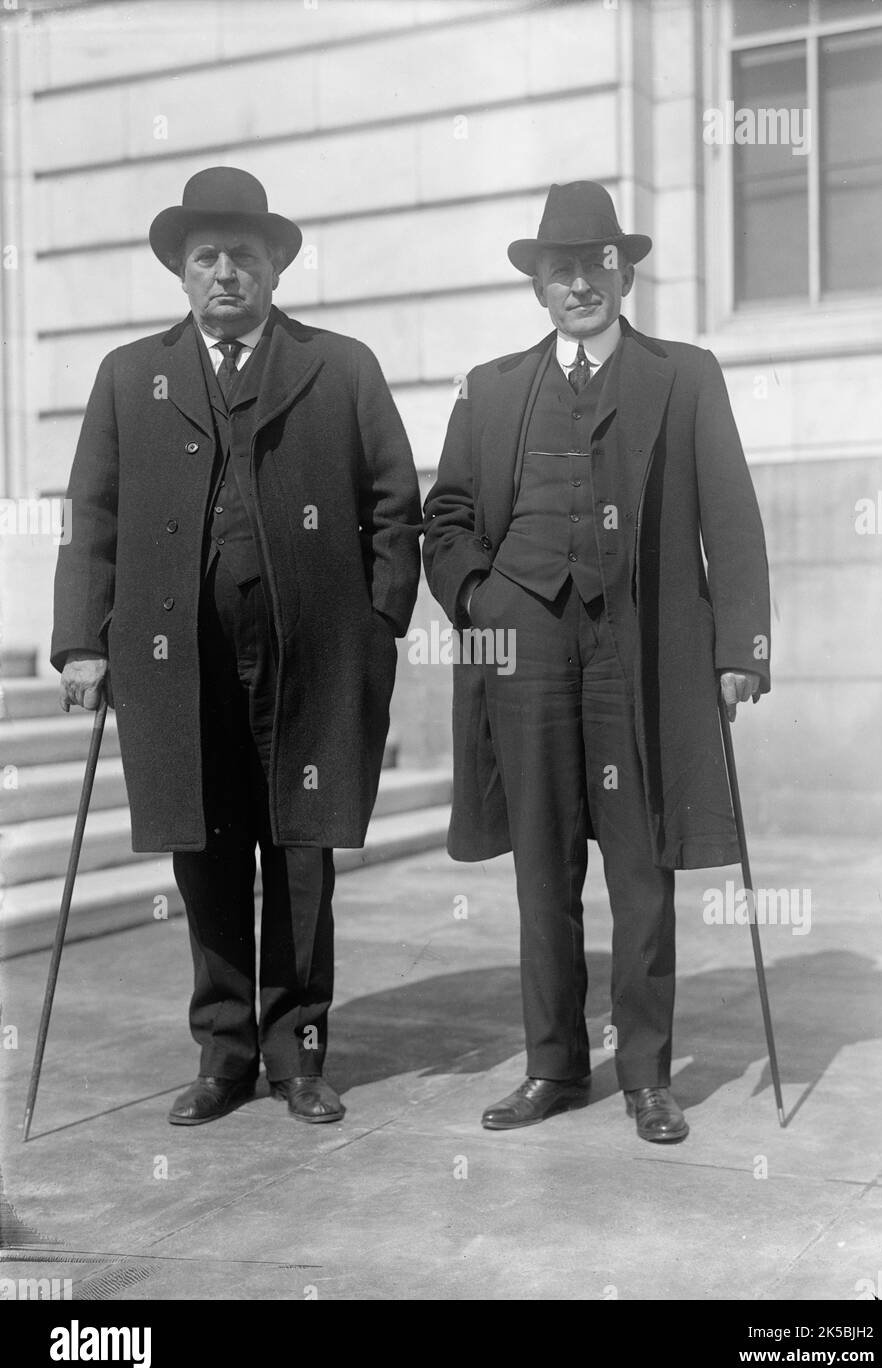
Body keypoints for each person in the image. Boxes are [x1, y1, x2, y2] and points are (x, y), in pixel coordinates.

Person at [52, 167, 422, 1127]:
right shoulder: (131, 375)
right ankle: (223, 1055)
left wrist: (377, 625)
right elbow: (91, 513)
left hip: (309, 657)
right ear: (181, 272)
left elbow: (395, 503)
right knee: (204, 854)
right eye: (207, 257)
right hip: (177, 663)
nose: (226, 273)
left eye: (244, 257)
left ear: (275, 268)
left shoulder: (339, 366)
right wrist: (80, 644)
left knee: (301, 853)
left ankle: (297, 1055)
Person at [423, 181, 770, 1142]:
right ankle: (552, 1067)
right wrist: (483, 602)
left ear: (625, 272)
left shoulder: (685, 375)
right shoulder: (491, 389)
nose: (579, 283)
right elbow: (443, 520)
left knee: (642, 866)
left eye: (596, 264)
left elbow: (731, 521)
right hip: (525, 647)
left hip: (641, 649)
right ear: (538, 285)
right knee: (542, 863)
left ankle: (647, 1074)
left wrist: (741, 646)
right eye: (559, 269)